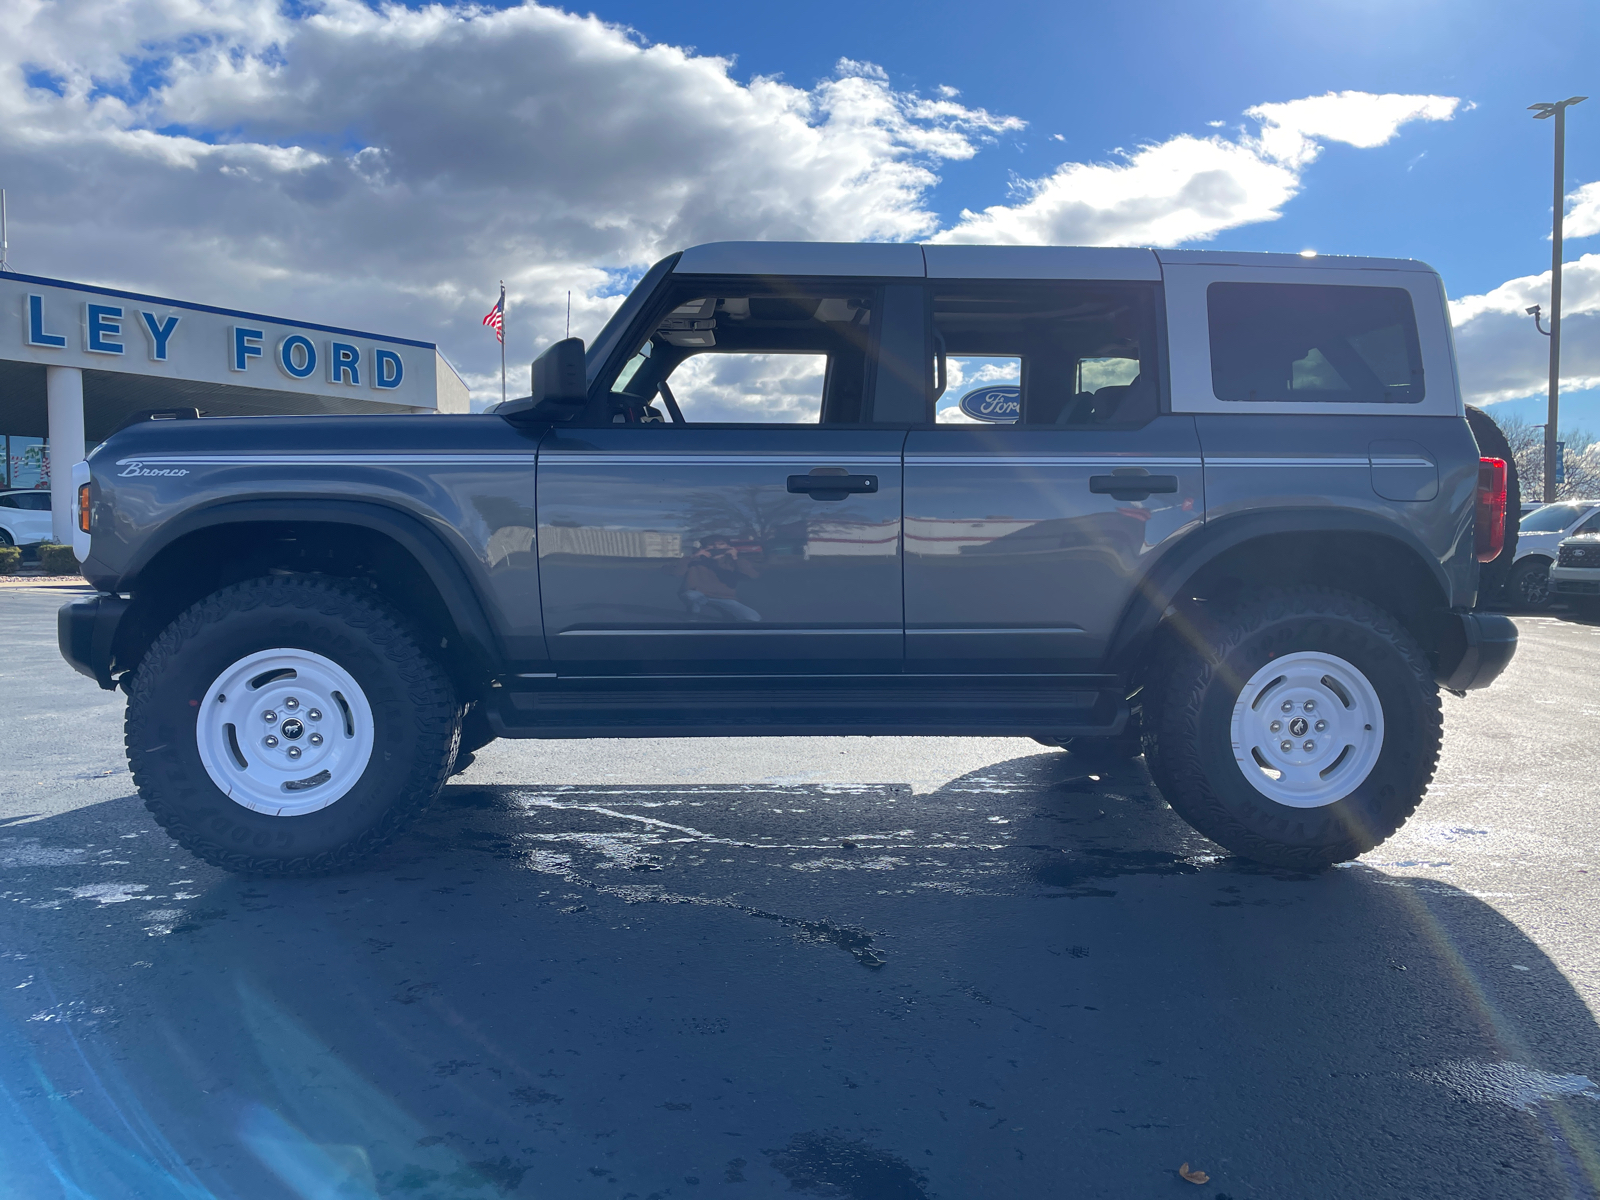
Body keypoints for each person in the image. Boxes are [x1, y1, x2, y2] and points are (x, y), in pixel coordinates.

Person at [670, 536, 761, 622]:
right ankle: (692, 615)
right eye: (711, 544)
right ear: (703, 548)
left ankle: (727, 613)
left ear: (729, 547)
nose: (716, 547)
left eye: (721, 544)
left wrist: (735, 558)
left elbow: (752, 576)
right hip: (697, 594)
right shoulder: (693, 561)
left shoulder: (734, 562)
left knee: (753, 617)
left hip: (724, 598)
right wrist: (692, 557)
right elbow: (676, 573)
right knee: (691, 595)